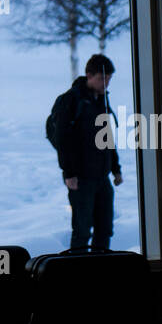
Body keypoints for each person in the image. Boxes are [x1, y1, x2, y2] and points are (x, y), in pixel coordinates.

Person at [58, 53, 123, 253]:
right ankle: (78, 273)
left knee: (105, 229)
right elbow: (63, 140)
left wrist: (116, 169)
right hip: (81, 178)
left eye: (109, 78)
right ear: (89, 75)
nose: (106, 83)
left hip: (101, 176)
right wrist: (69, 173)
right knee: (82, 231)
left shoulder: (101, 100)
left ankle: (99, 270)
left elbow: (107, 137)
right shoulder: (70, 100)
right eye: (102, 78)